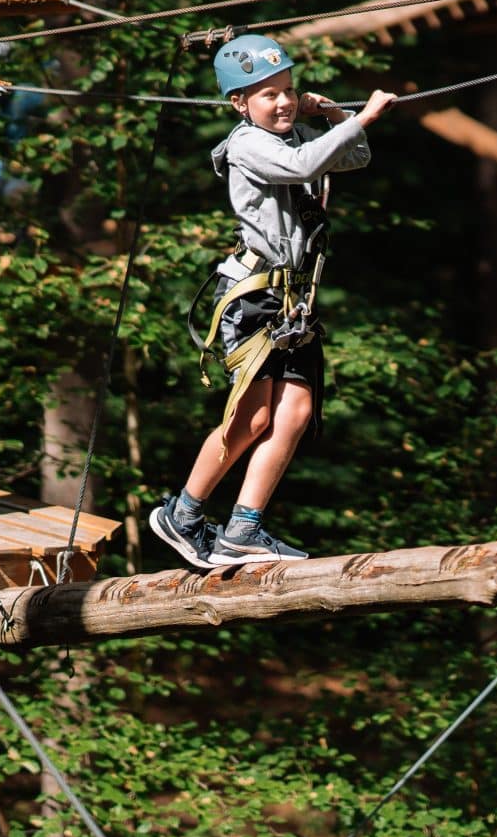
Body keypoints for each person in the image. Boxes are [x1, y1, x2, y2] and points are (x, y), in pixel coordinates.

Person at [151, 35, 397, 569]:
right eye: (268, 95)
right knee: (254, 416)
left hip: (293, 304)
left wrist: (332, 111)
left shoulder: (292, 135)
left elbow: (353, 154)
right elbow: (306, 167)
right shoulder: (248, 144)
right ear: (240, 104)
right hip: (254, 300)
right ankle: (183, 515)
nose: (283, 102)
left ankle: (244, 528)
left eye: (288, 91)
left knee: (296, 413)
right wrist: (366, 114)